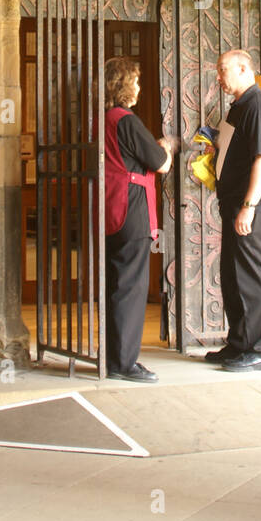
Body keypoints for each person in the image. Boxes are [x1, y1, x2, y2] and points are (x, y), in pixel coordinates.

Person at [210, 49, 261, 372]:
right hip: (234, 202)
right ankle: (240, 341)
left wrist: (249, 206)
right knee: (233, 274)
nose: (219, 77)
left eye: (224, 70)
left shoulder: (257, 106)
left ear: (243, 68)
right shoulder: (239, 108)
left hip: (248, 204)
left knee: (253, 273)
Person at [104, 56, 173, 382]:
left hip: (109, 207)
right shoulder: (126, 120)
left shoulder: (100, 119)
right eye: (136, 81)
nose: (139, 87)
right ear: (126, 85)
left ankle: (111, 355)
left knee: (117, 285)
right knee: (132, 287)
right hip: (133, 209)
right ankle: (124, 362)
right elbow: (160, 163)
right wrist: (167, 147)